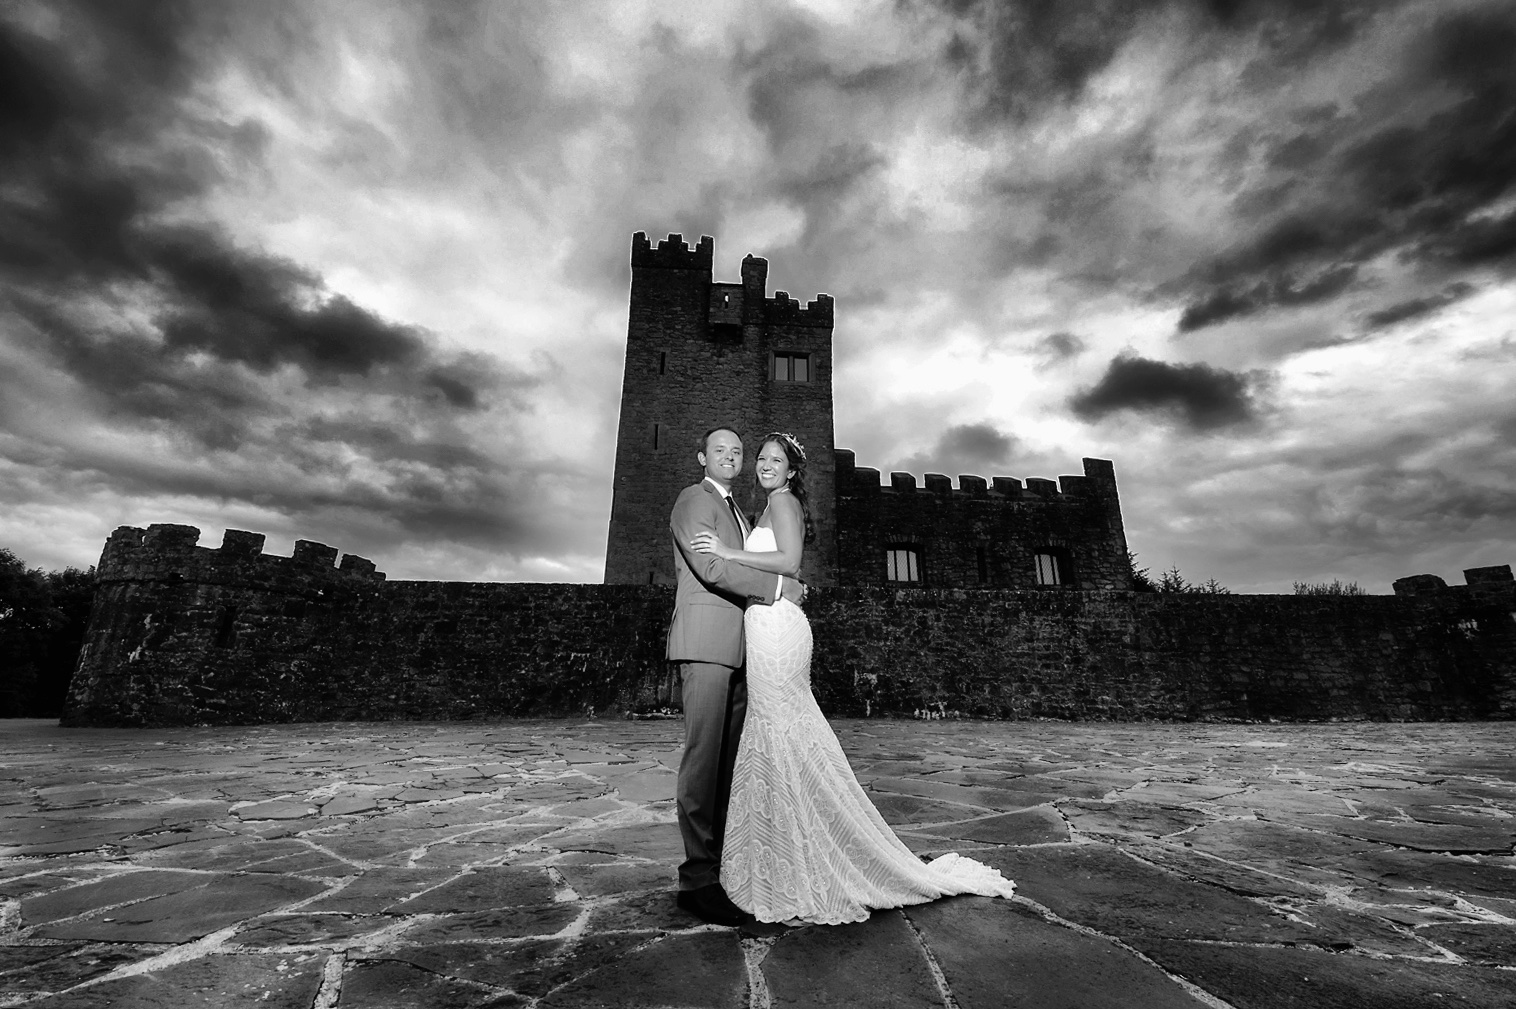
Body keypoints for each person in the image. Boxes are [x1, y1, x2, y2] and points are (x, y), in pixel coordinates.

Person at [690, 432, 1016, 924]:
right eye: (760, 458)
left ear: (793, 471)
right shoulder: (766, 508)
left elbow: (790, 564)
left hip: (777, 630)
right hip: (765, 627)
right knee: (777, 736)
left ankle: (805, 857)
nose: (764, 465)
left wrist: (728, 552)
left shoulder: (782, 504)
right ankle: (783, 852)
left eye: (776, 460)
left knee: (781, 733)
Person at [668, 425, 804, 927]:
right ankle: (696, 881)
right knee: (703, 764)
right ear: (702, 456)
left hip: (742, 650)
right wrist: (777, 589)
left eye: (737, 451)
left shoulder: (738, 511)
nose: (730, 456)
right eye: (719, 449)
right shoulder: (694, 500)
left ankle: (722, 868)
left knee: (728, 765)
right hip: (706, 644)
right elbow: (709, 568)